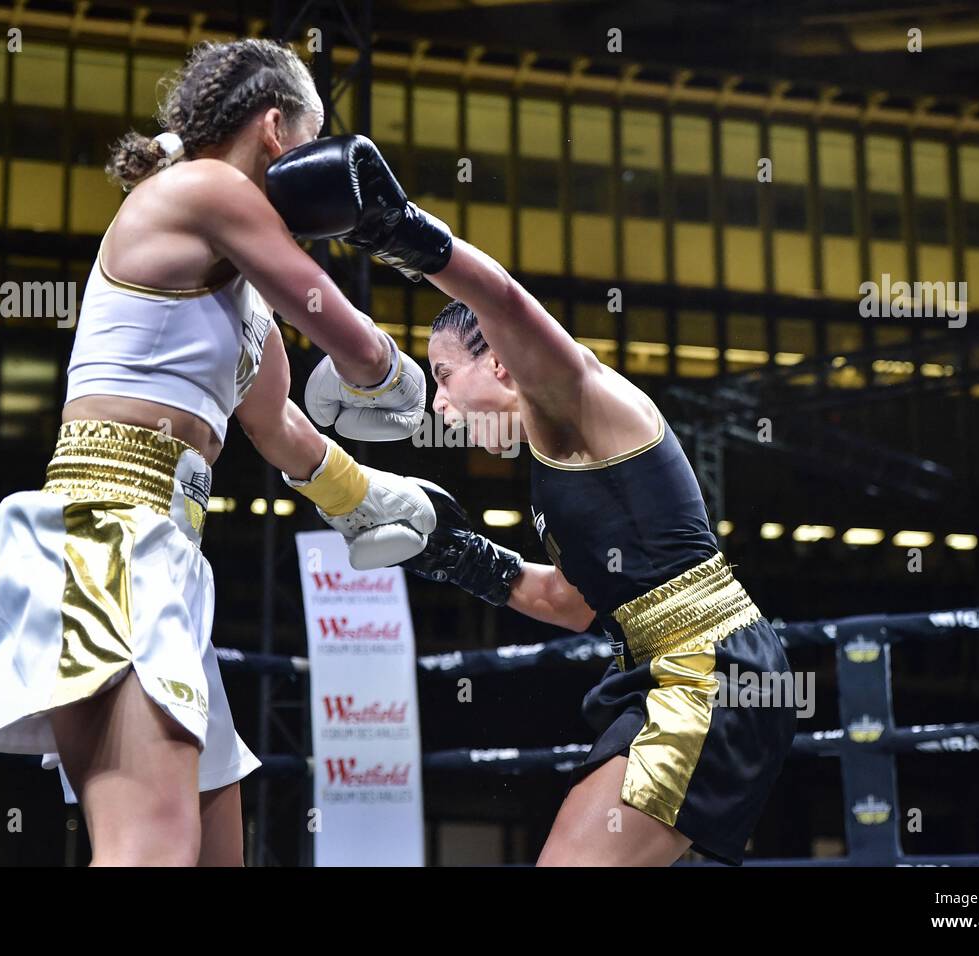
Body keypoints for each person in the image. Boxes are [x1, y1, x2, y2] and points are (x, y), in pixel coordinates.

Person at [268, 135, 798, 867]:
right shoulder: (558, 459)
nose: (443, 404)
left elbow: (503, 299)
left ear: (503, 363)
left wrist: (399, 231)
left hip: (704, 669)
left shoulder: (574, 397)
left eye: (447, 375)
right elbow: (575, 604)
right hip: (670, 668)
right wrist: (462, 556)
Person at [0, 41, 433, 867]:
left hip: (168, 558)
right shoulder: (203, 189)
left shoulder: (242, 301)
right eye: (311, 137)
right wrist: (394, 369)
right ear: (274, 131)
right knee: (151, 852)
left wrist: (366, 499)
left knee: (218, 856)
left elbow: (279, 429)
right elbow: (344, 333)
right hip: (106, 535)